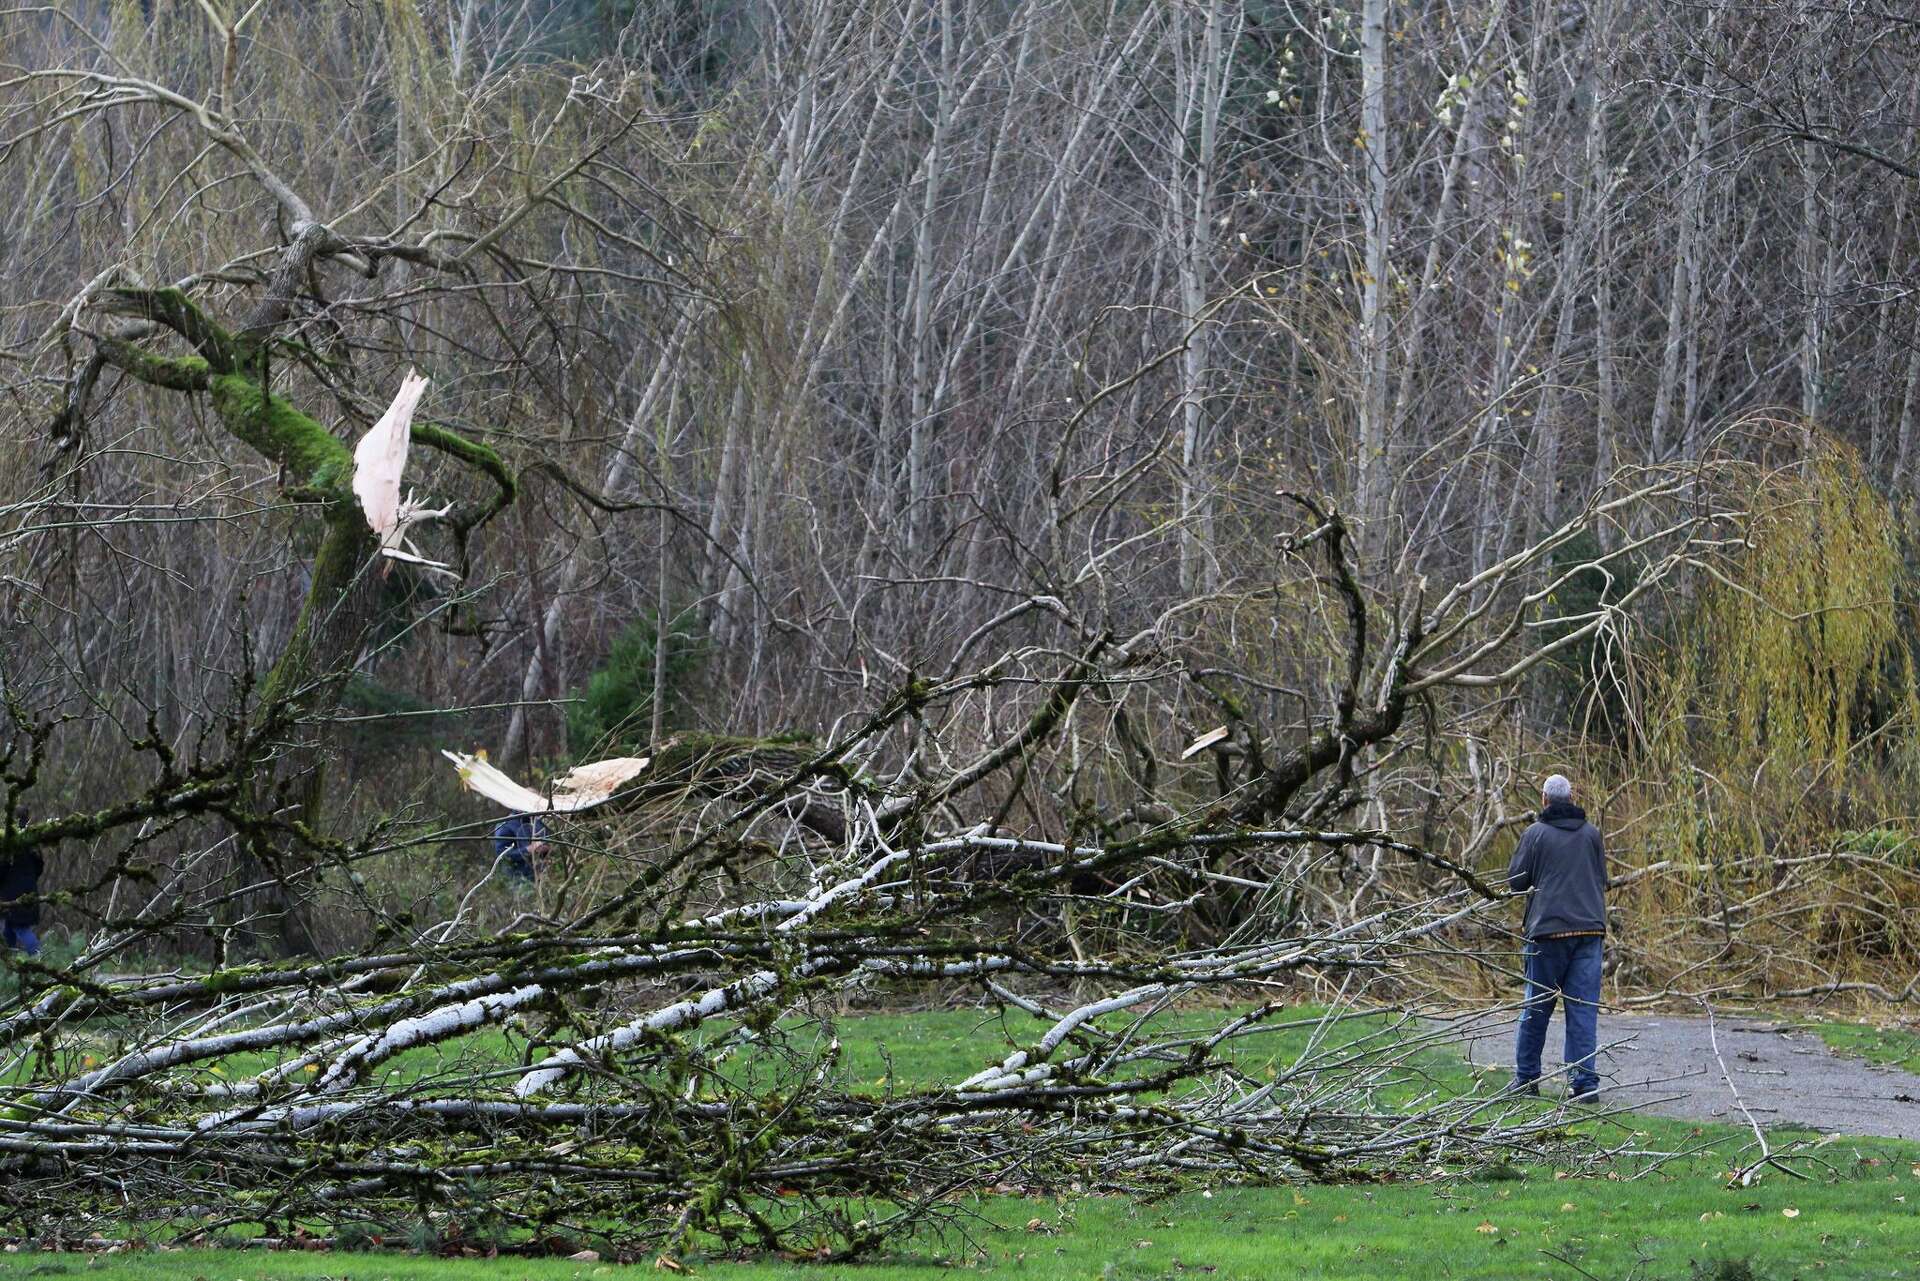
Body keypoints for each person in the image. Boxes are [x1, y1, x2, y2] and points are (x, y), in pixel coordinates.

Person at [1507, 773, 1608, 1102]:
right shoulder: (1592, 834)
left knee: (1536, 1008)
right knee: (1582, 1010)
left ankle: (1526, 1079)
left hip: (1547, 932)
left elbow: (1516, 882)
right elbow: (1600, 879)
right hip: (1590, 931)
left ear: (1544, 799)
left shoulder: (1534, 834)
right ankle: (1584, 1084)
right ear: (1572, 797)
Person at [1, 807, 44, 957]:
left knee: (22, 929)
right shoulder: (32, 841)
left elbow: (2, 868)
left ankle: (38, 958)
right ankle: (8, 965)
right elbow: (40, 867)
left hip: (11, 896)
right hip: (29, 892)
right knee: (7, 929)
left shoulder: (8, 841)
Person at [491, 812, 549, 886]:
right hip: (518, 879)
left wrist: (545, 849)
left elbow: (547, 840)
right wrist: (528, 849)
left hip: (540, 874)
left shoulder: (536, 819)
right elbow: (503, 855)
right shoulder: (505, 826)